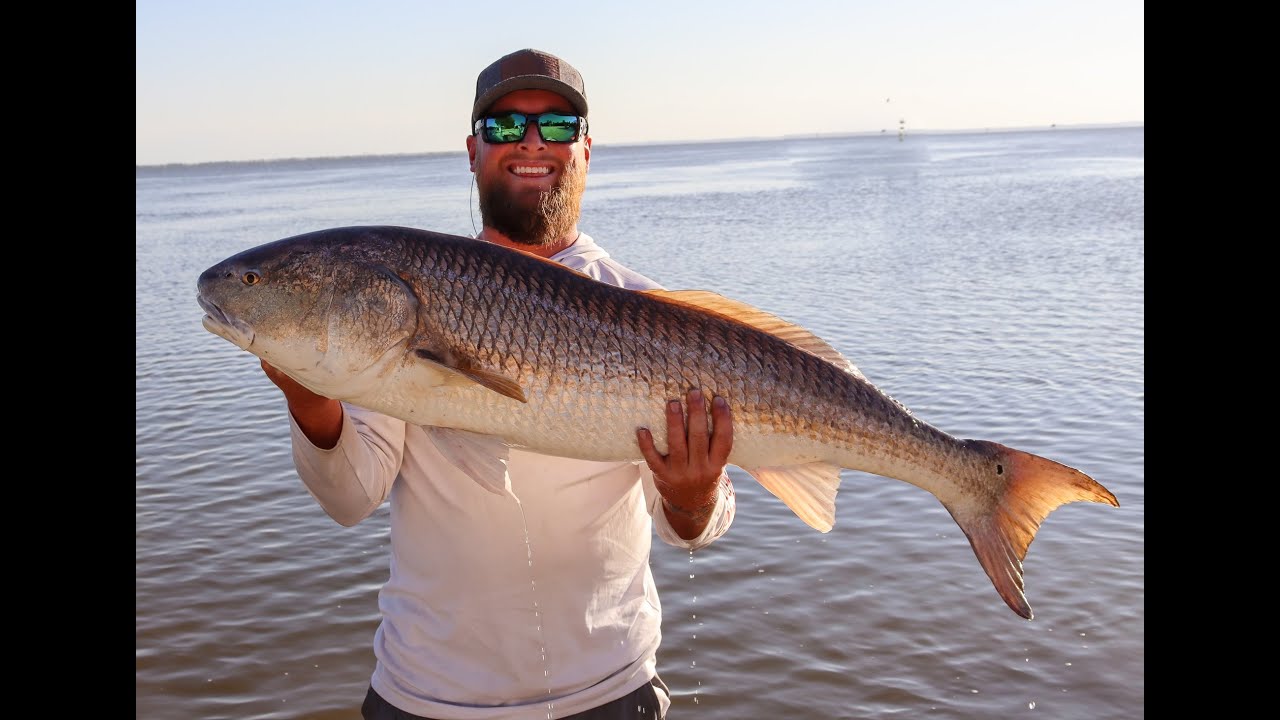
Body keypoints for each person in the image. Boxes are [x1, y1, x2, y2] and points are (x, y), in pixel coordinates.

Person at [259, 48, 737, 720]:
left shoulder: (654, 313)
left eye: (559, 126)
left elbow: (692, 531)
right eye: (507, 127)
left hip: (612, 692)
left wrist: (695, 495)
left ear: (587, 150)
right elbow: (350, 496)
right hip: (425, 697)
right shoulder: (399, 308)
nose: (533, 143)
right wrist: (309, 400)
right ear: (473, 151)